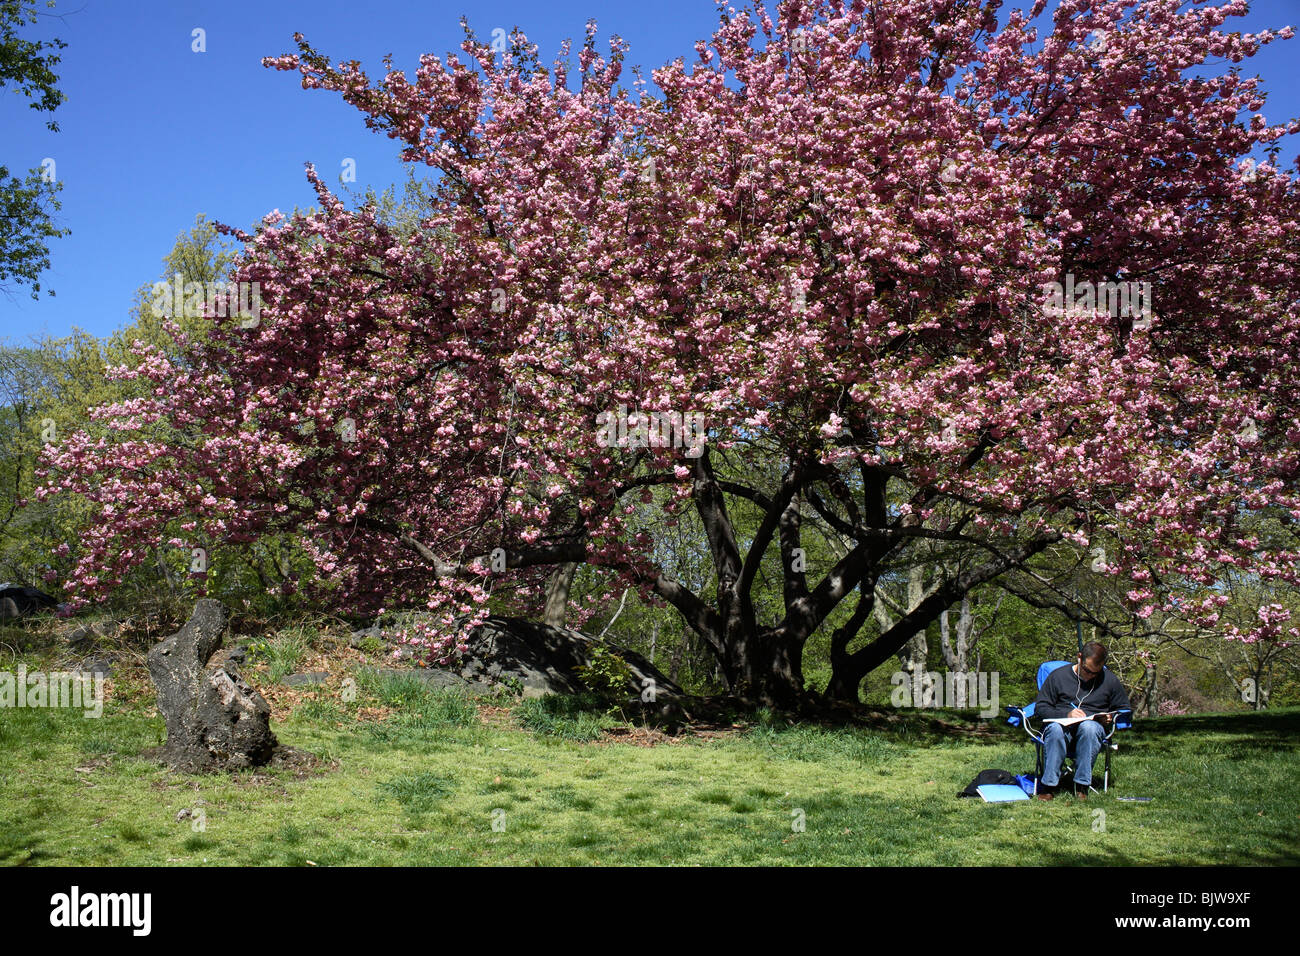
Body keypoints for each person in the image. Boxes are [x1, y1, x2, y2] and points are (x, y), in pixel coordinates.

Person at [1034, 642, 1131, 800]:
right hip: (1061, 729)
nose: (1090, 676)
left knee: (1089, 728)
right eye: (1087, 670)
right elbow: (1041, 708)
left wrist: (1111, 717)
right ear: (1079, 657)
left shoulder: (1109, 680)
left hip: (1092, 731)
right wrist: (1067, 714)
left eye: (1095, 673)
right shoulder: (1058, 676)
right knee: (1056, 729)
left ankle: (1082, 786)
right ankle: (1049, 786)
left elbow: (1124, 709)